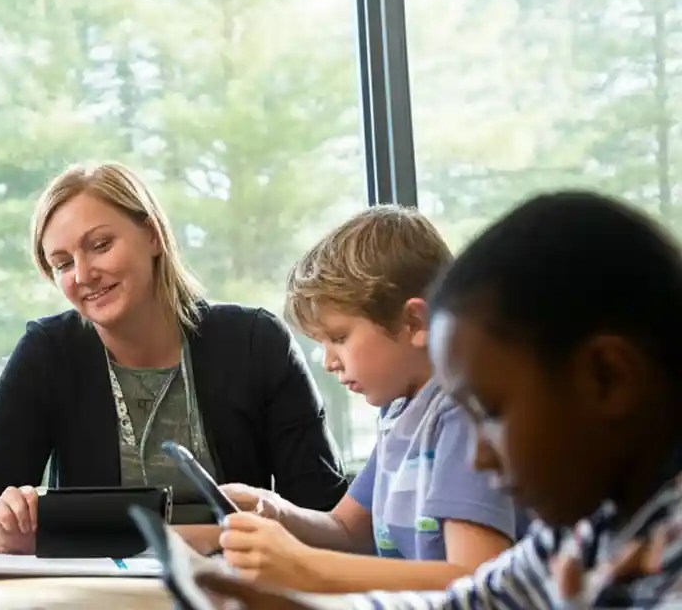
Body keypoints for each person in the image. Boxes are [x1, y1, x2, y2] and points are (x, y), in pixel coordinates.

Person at [198, 191, 682, 608]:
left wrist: (308, 571)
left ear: (608, 378)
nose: (479, 455)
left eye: (491, 413)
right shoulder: (583, 533)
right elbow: (470, 602)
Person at [0, 161, 348, 556]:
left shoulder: (255, 342)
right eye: (63, 264)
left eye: (100, 245)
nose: (83, 275)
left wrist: (223, 533)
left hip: (233, 582)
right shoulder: (47, 353)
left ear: (153, 235)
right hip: (97, 588)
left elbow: (326, 514)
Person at [216, 206, 524, 592]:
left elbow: (475, 580)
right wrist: (270, 509)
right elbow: (346, 529)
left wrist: (304, 566)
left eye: (339, 338)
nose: (329, 361)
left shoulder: (461, 416)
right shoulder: (400, 412)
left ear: (415, 323)